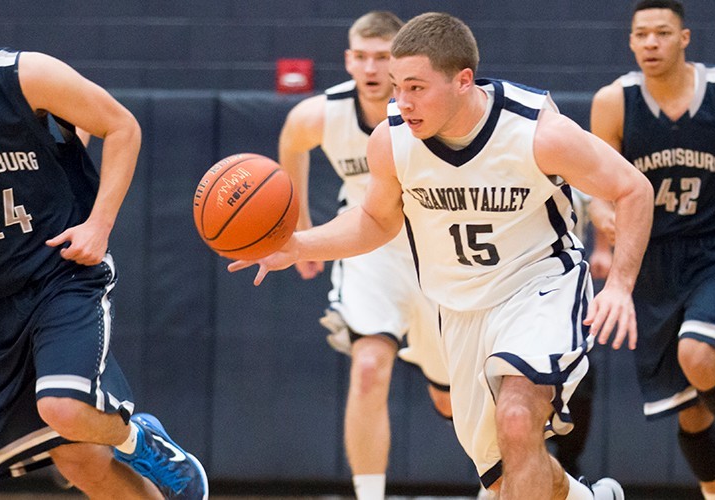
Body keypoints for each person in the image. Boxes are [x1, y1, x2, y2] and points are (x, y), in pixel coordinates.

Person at [232, 12, 654, 500]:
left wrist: (620, 286)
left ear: (463, 80)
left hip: (537, 286)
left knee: (518, 422)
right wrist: (299, 244)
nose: (400, 102)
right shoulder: (391, 141)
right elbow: (376, 220)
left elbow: (634, 189)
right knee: (504, 474)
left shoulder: (536, 131)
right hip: (457, 307)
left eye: (415, 88)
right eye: (396, 86)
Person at [0, 1, 208, 498]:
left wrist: (99, 225)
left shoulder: (26, 74)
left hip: (63, 275)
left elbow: (122, 127)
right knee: (76, 456)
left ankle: (142, 440)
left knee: (65, 407)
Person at [590, 1, 715, 499]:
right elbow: (597, 181)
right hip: (651, 257)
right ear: (631, 42)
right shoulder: (614, 102)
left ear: (684, 38)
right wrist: (599, 227)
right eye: (642, 34)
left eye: (662, 32)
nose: (651, 42)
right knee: (691, 406)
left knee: (698, 355)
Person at [277, 11, 452, 500]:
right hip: (369, 251)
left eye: (382, 57)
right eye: (362, 57)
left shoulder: (433, 110)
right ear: (349, 61)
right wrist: (303, 228)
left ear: (398, 63)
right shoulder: (320, 114)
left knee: (451, 399)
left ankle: (504, 481)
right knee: (370, 368)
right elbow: (292, 145)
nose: (372, 68)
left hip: (435, 251)